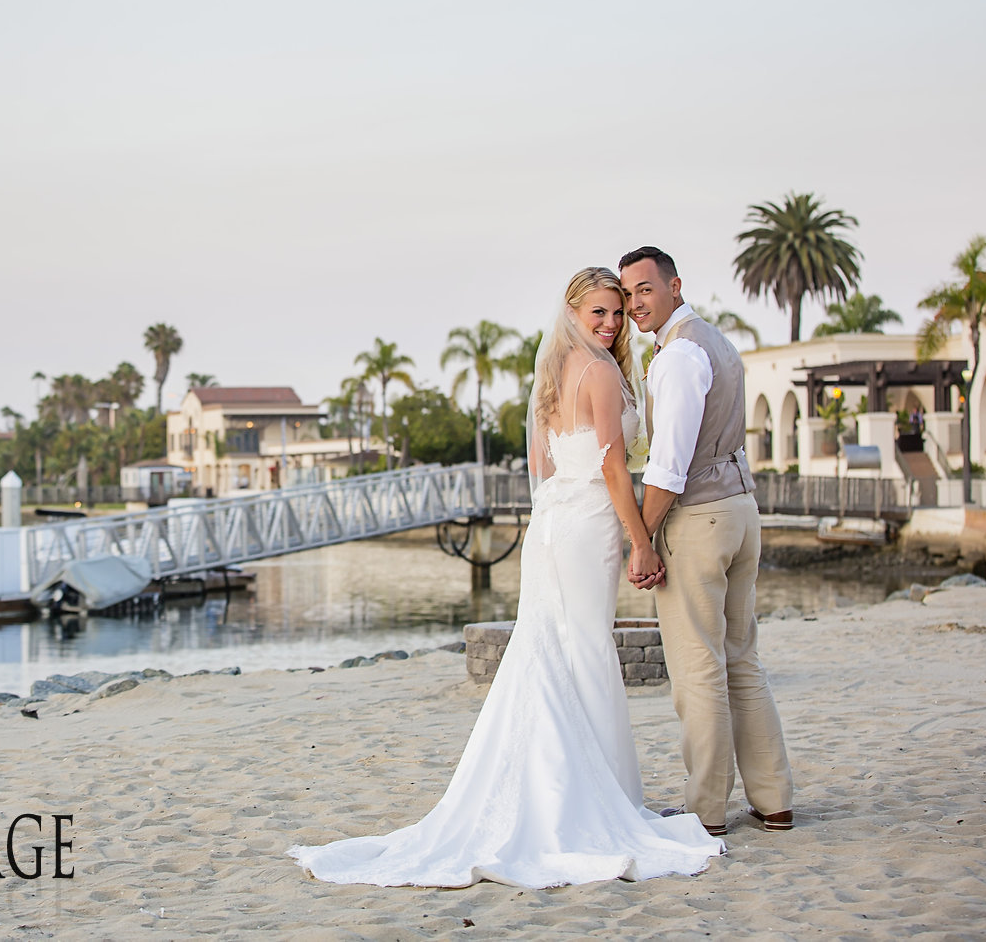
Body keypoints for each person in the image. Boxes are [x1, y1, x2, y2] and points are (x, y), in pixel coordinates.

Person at [288, 267, 723, 889]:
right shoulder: (599, 372)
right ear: (572, 312)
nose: (609, 323)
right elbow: (611, 468)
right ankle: (597, 803)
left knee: (555, 651)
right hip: (588, 523)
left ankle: (569, 791)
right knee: (586, 650)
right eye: (596, 312)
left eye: (616, 312)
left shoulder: (555, 373)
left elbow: (545, 465)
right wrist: (640, 538)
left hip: (554, 524)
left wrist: (564, 518)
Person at [617, 246, 794, 836]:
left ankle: (705, 814)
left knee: (698, 667)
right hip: (742, 508)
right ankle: (774, 800)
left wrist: (641, 537)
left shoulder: (678, 356)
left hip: (700, 517)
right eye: (628, 293)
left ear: (674, 286)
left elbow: (668, 467)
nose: (635, 303)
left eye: (645, 289)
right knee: (742, 660)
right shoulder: (718, 341)